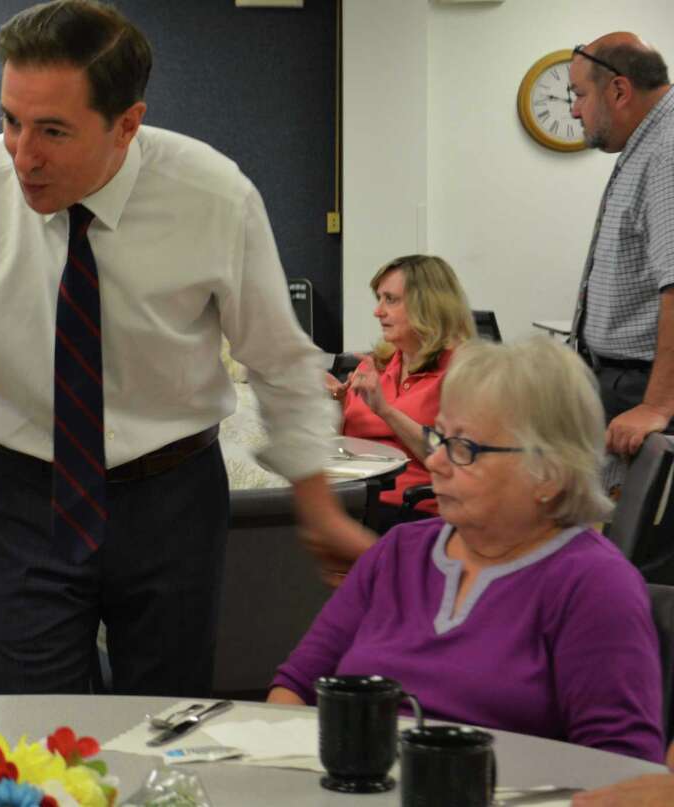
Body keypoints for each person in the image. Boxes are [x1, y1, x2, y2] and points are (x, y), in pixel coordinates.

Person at [0, 0, 374, 697]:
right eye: (10, 120)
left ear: (127, 125)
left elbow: (279, 362)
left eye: (53, 131)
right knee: (36, 732)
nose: (23, 155)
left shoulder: (212, 195)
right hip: (26, 495)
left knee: (163, 733)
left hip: (172, 499)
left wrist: (317, 506)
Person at [268, 337, 666, 763]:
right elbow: (296, 685)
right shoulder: (400, 552)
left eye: (463, 448)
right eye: (439, 438)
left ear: (548, 473)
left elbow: (622, 768)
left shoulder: (592, 585)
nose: (435, 462)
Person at [568, 34, 674, 459]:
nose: (575, 109)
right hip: (623, 383)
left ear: (619, 90)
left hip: (643, 387)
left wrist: (657, 404)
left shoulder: (667, 150)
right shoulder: (647, 144)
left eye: (579, 94)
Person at [328, 255, 474, 532]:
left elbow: (456, 458)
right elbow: (344, 445)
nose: (377, 311)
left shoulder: (462, 372)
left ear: (428, 307)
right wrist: (333, 401)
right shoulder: (375, 364)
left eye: (390, 300)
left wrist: (385, 411)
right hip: (352, 499)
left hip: (413, 511)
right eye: (379, 299)